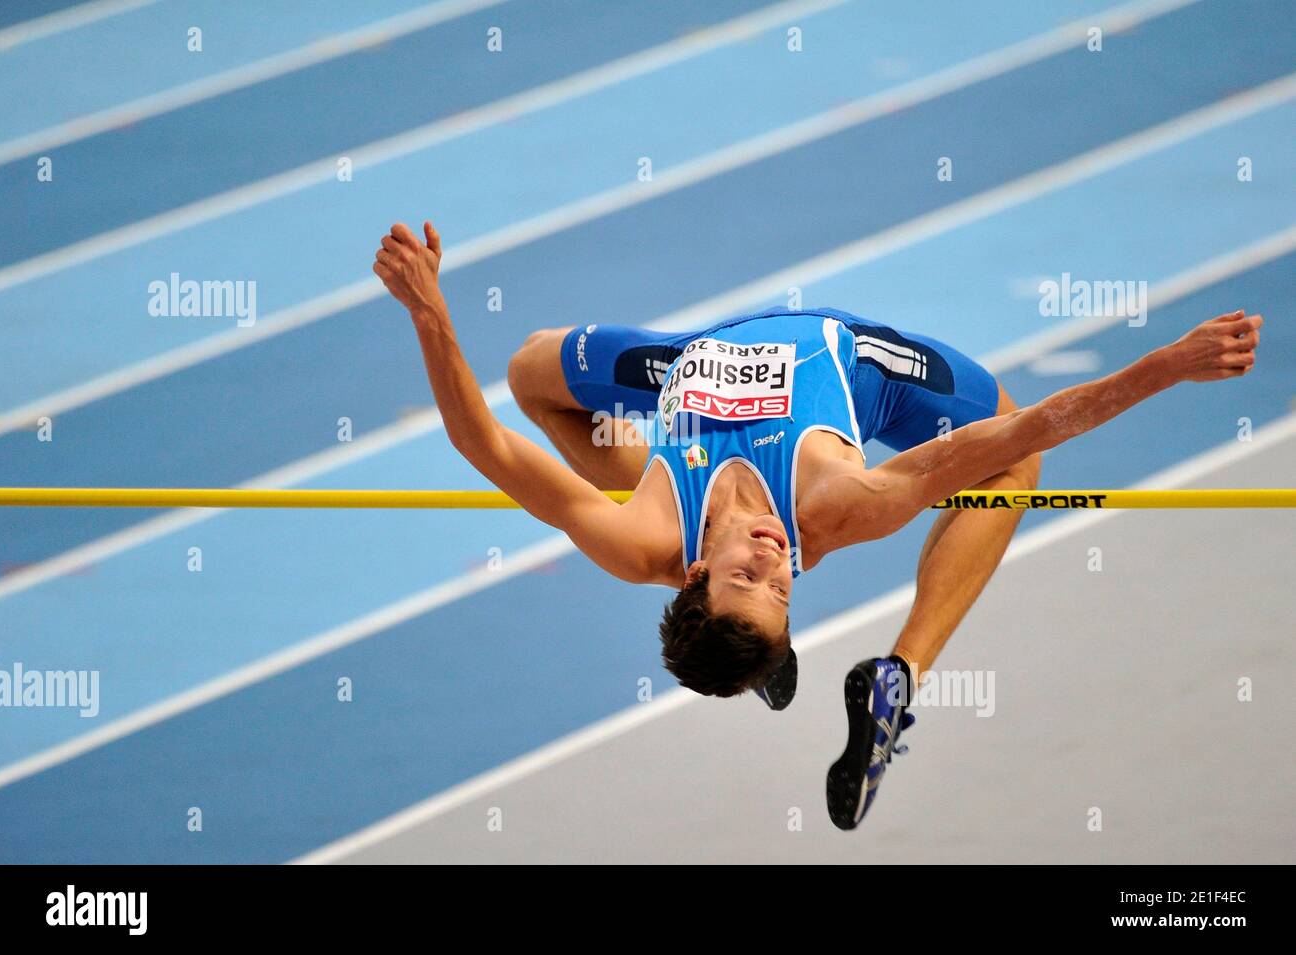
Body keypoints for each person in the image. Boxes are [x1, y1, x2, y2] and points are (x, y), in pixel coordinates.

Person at [373, 220, 1262, 828]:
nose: (769, 560)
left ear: (690, 573)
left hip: (693, 358)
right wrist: (1165, 366)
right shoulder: (838, 503)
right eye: (780, 591)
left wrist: (428, 309)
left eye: (742, 579)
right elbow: (1029, 428)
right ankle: (902, 674)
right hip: (849, 351)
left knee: (533, 371)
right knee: (1014, 468)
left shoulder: (642, 536)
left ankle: (751, 640)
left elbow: (482, 439)